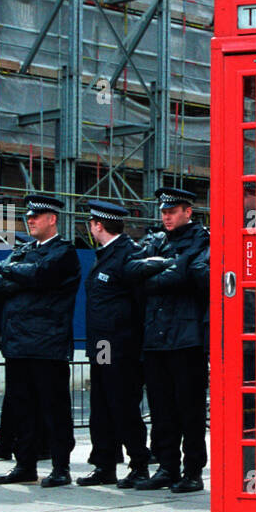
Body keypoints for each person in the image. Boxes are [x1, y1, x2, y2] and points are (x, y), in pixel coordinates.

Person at [0, 194, 80, 488]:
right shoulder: (24, 251)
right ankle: (24, 464)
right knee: (22, 407)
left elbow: (42, 275)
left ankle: (60, 466)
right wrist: (22, 277)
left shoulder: (64, 252)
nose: (29, 221)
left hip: (47, 343)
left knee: (53, 407)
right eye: (28, 217)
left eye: (36, 217)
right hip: (18, 343)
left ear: (52, 219)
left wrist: (17, 274)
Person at [126, 186, 210, 494]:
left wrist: (155, 272)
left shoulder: (202, 239)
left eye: (172, 212)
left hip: (187, 339)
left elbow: (186, 276)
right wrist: (163, 266)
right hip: (156, 336)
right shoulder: (156, 240)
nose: (166, 217)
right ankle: (166, 467)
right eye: (163, 212)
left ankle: (192, 471)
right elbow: (131, 271)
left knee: (189, 410)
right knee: (161, 409)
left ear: (188, 212)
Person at [77, 200, 150, 487]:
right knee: (102, 405)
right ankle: (104, 464)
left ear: (98, 225)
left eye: (92, 223)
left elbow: (137, 303)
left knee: (122, 404)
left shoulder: (127, 254)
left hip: (119, 344)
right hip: (102, 344)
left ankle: (139, 463)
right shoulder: (106, 254)